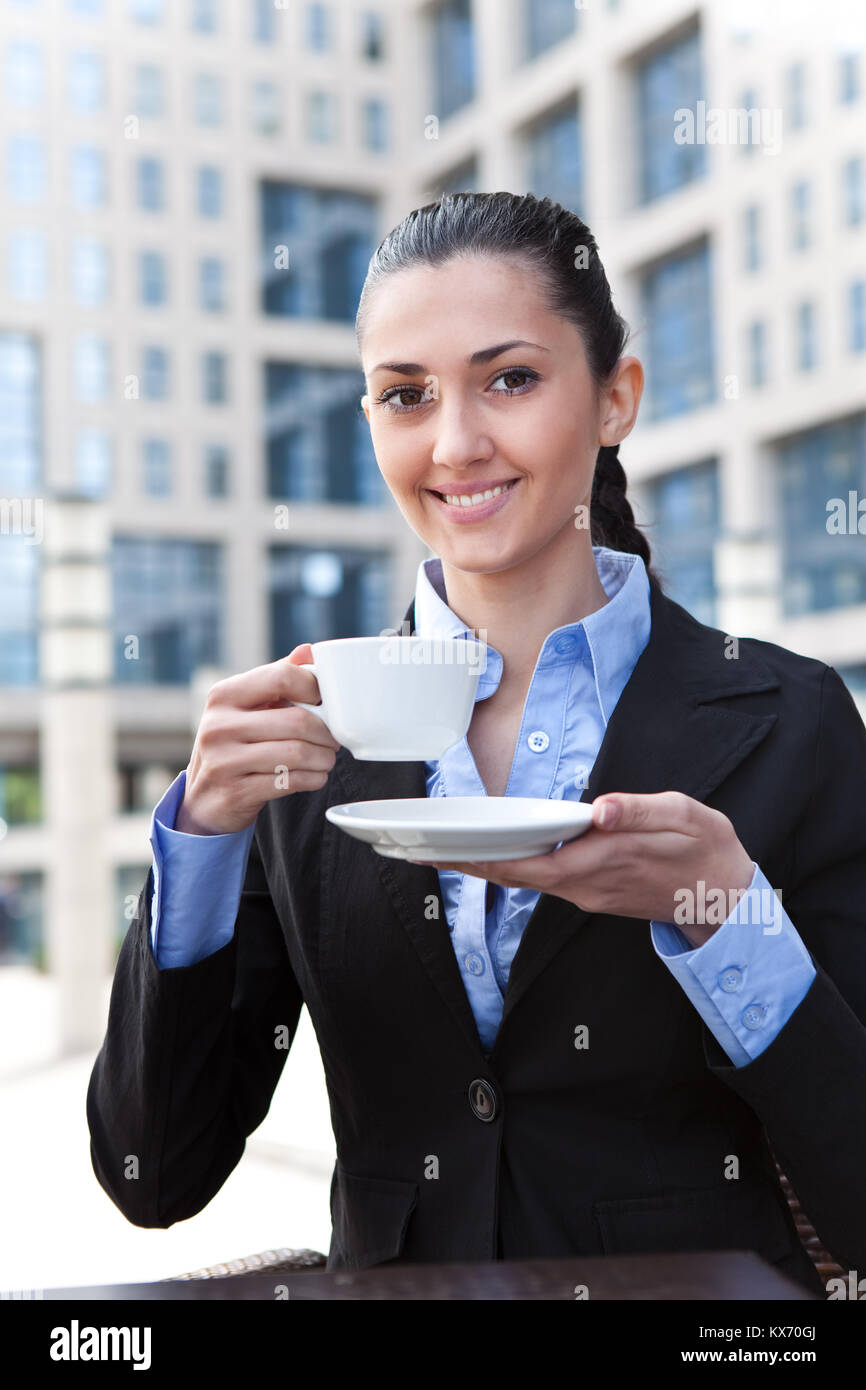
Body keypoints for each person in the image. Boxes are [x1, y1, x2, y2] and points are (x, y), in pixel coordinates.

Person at [87, 192, 866, 1296]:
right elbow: (150, 1173)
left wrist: (725, 913)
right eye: (405, 395)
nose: (454, 444)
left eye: (509, 379)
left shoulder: (789, 720)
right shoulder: (305, 748)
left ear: (613, 400)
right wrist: (202, 840)